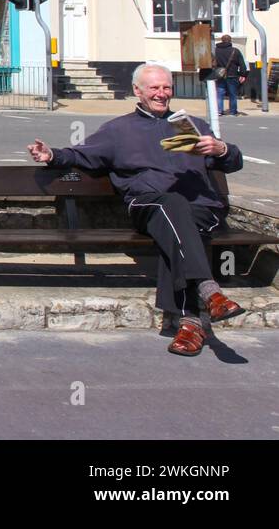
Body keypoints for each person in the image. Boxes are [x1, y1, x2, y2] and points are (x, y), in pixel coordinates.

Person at [27, 62, 246, 357]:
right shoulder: (118, 130)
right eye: (154, 88)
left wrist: (221, 149)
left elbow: (233, 162)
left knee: (179, 229)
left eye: (166, 87)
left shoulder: (191, 125)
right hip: (149, 206)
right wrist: (50, 154)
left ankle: (190, 322)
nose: (161, 94)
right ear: (137, 91)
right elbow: (82, 155)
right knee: (172, 206)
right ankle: (209, 290)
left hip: (199, 211)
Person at [213, 34, 246, 117]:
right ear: (230, 41)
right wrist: (243, 74)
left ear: (221, 40)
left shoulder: (215, 51)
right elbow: (242, 64)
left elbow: (212, 63)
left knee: (220, 93)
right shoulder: (235, 51)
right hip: (232, 75)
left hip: (220, 75)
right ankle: (233, 111)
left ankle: (219, 111)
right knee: (232, 94)